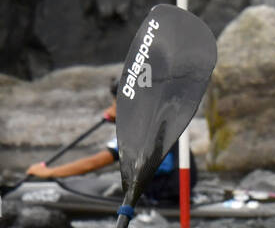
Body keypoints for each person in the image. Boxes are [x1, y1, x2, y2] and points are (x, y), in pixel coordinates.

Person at [25, 79, 181, 205]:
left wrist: (49, 172)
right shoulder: (153, 121)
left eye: (114, 103)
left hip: (162, 194)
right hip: (175, 191)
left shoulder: (140, 132)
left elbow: (93, 164)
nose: (111, 108)